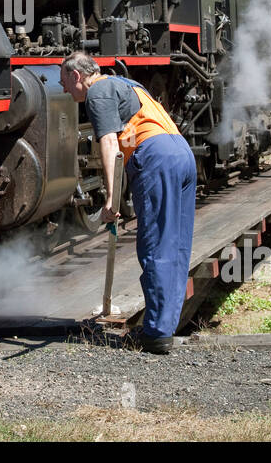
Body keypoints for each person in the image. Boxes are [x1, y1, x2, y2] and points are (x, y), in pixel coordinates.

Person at [60, 51, 197, 355]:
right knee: (175, 244)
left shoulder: (97, 94)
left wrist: (111, 198)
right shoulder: (126, 83)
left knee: (155, 245)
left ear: (76, 76)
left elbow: (109, 142)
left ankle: (157, 335)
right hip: (181, 153)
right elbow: (132, 131)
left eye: (65, 84)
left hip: (156, 157)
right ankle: (164, 327)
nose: (66, 92)